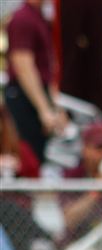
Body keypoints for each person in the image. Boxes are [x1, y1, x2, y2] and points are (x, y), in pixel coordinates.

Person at [3, 0, 67, 164]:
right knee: (28, 155)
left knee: (38, 155)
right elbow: (23, 66)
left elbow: (47, 70)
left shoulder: (38, 16)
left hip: (35, 96)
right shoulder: (23, 18)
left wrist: (54, 106)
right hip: (24, 98)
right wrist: (43, 110)